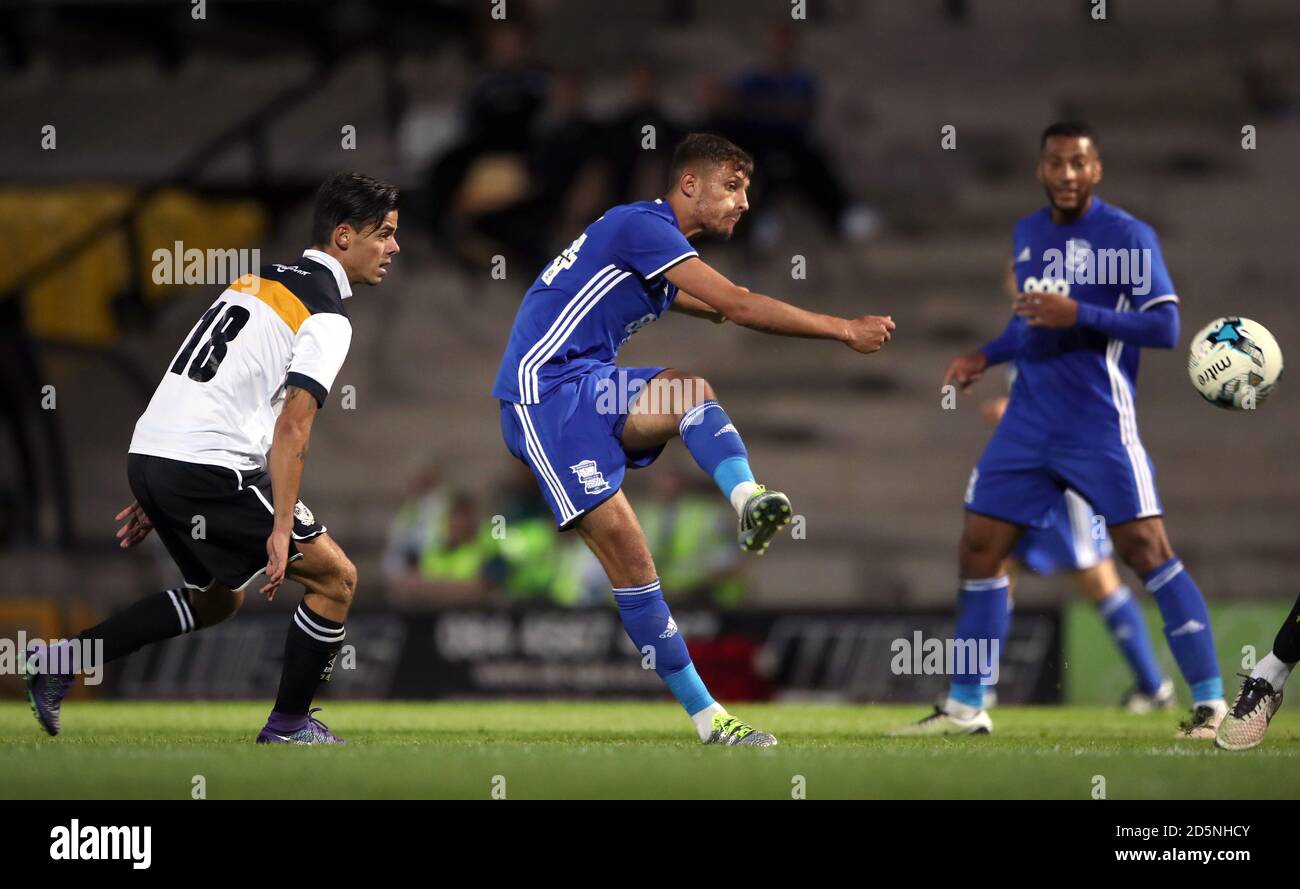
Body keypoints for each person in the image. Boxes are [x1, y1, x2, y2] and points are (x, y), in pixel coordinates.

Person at [492, 132, 894, 746]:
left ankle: (747, 501)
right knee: (632, 558)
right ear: (688, 185)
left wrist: (777, 321)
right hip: (542, 395)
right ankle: (712, 720)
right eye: (732, 187)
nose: (743, 203)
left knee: (689, 391)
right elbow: (738, 304)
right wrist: (842, 330)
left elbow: (721, 306)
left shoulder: (653, 257)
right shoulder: (642, 226)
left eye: (747, 191)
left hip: (591, 387)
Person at [23, 173, 401, 745]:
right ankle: (289, 725)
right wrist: (280, 525)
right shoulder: (326, 316)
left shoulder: (255, 280)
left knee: (215, 600)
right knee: (336, 579)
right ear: (344, 237)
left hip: (156, 452)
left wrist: (159, 477)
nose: (394, 248)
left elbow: (199, 376)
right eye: (385, 234)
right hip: (202, 464)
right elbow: (293, 426)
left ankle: (67, 660)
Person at [892, 122, 1225, 738]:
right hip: (1026, 424)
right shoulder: (1028, 233)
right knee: (979, 548)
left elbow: (1167, 328)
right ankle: (966, 705)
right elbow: (1030, 326)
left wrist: (1083, 314)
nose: (1067, 174)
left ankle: (1210, 705)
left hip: (1096, 423)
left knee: (1145, 552)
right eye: (1056, 163)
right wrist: (984, 357)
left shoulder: (1128, 236)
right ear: (1041, 169)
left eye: (1079, 163)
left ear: (1096, 170)